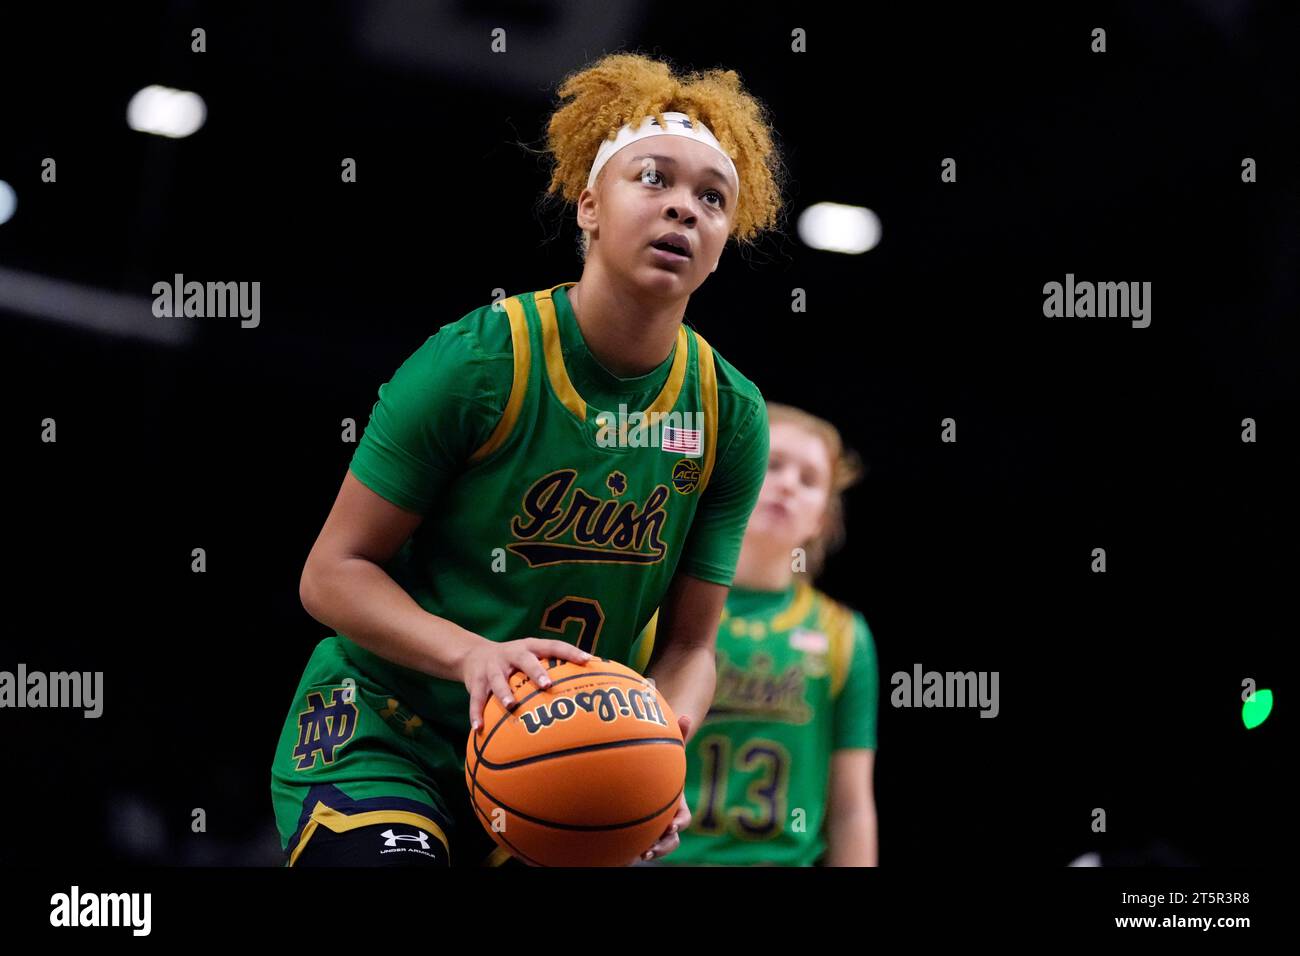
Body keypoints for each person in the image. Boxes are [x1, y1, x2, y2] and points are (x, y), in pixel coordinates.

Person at [269, 51, 787, 866]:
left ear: (724, 240)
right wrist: (472, 656)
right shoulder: (479, 364)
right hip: (388, 728)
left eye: (711, 199)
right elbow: (331, 574)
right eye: (654, 180)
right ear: (588, 206)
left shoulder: (729, 414)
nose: (684, 209)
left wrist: (655, 744)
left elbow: (690, 648)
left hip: (555, 759)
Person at [641, 402, 880, 865]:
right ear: (731, 480)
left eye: (809, 479)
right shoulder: (656, 608)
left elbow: (851, 809)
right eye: (771, 465)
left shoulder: (842, 636)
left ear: (823, 520)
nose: (788, 484)